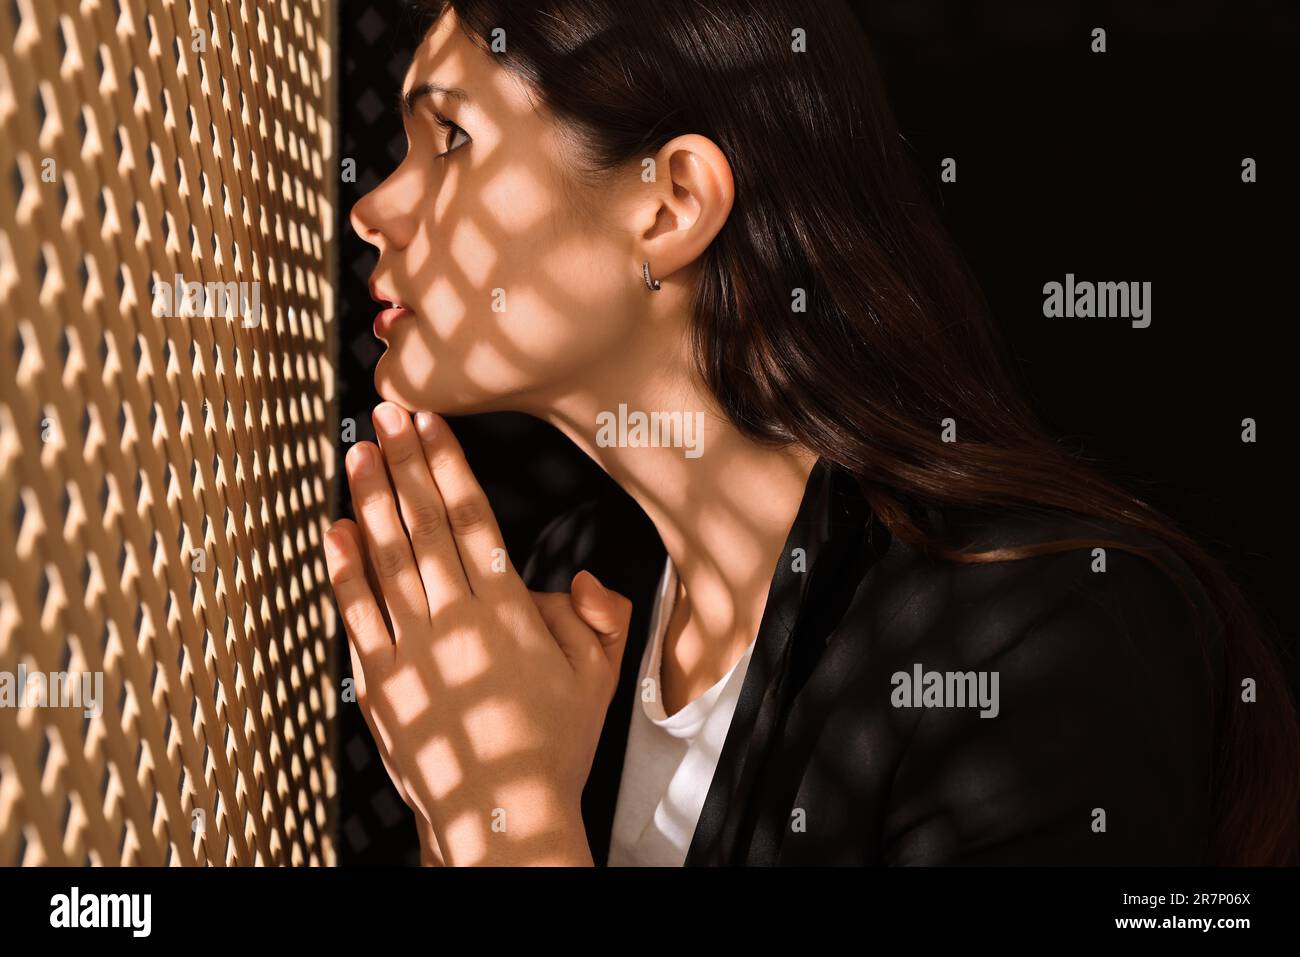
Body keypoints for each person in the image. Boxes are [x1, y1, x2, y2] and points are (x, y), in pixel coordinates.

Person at [323, 0, 1299, 866]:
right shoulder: (572, 586)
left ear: (669, 206)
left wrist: (509, 821)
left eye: (448, 138)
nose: (370, 210)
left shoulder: (1027, 641)